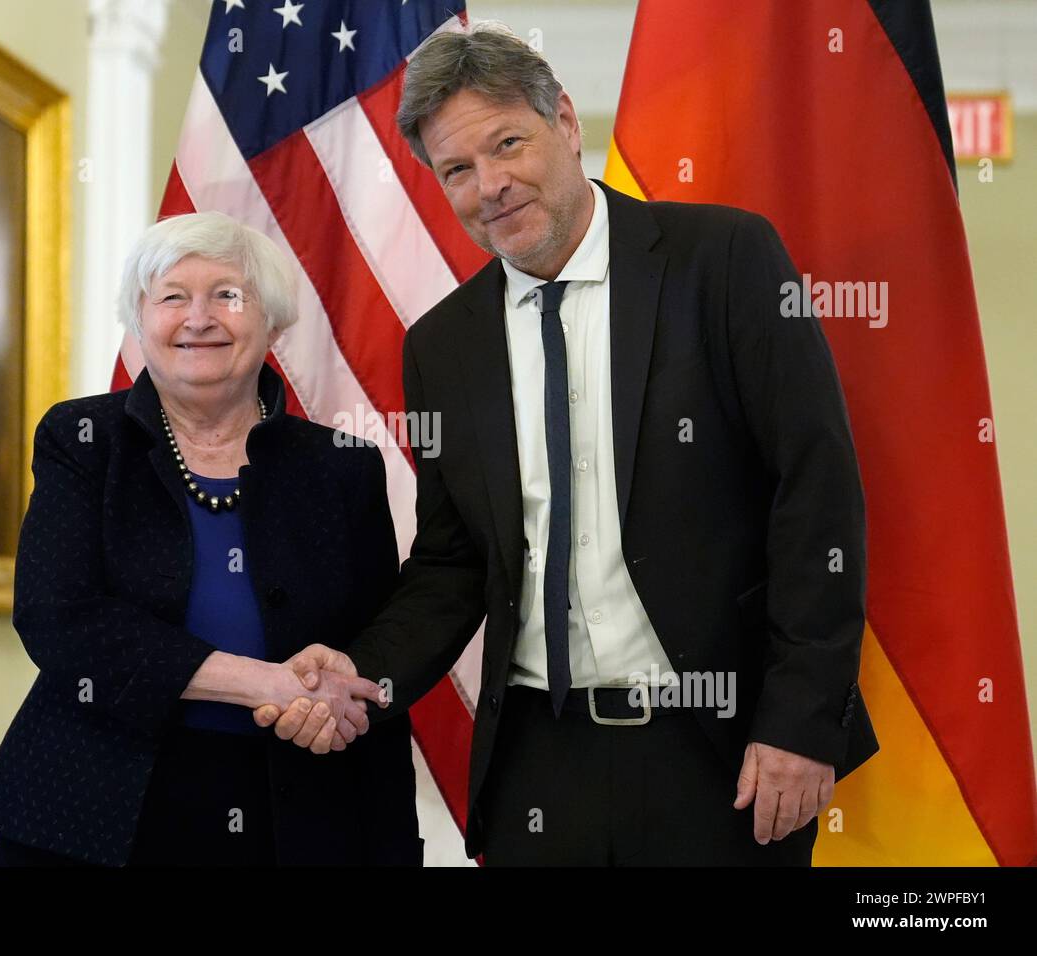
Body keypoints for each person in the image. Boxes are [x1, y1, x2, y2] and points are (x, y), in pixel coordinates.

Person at [256, 22, 879, 866]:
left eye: (507, 143)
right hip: (537, 767)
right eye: (457, 171)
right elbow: (452, 563)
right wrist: (364, 670)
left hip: (721, 751)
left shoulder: (724, 259)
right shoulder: (442, 343)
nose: (492, 186)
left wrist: (803, 724)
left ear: (565, 120)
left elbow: (815, 495)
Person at [0, 211, 419, 866]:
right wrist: (264, 683)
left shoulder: (342, 465)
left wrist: (393, 845)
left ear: (273, 320)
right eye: (172, 297)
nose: (198, 318)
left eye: (228, 296)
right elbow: (58, 619)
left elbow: (371, 655)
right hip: (91, 805)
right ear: (140, 319)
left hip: (299, 811)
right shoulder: (82, 440)